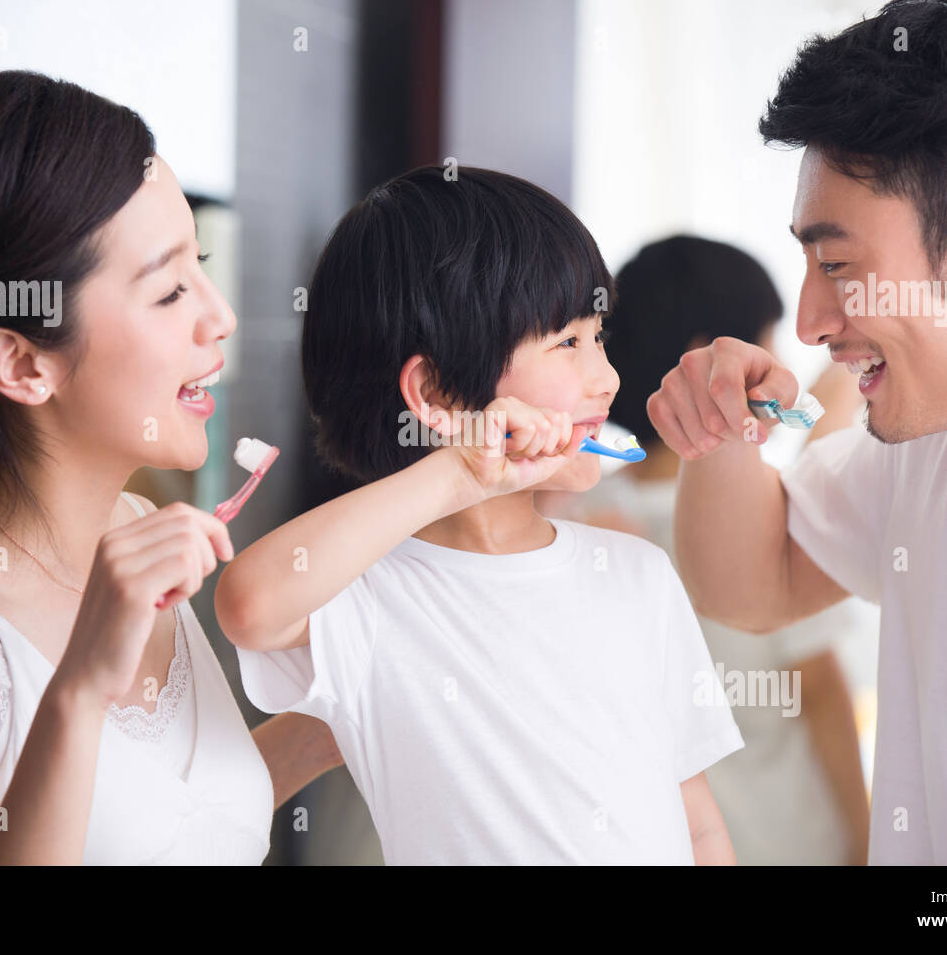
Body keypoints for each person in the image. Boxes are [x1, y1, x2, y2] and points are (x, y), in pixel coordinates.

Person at [649, 0, 947, 864]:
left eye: (840, 266)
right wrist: (722, 427)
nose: (811, 321)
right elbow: (754, 583)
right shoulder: (943, 442)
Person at [216, 166, 743, 865]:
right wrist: (459, 471)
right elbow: (249, 604)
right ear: (434, 391)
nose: (608, 377)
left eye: (600, 336)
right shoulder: (364, 600)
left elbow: (698, 825)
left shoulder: (637, 574)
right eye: (568, 342)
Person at [0, 71, 342, 864]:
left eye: (200, 262)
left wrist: (348, 716)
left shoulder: (137, 528)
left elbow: (165, 828)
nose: (220, 316)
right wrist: (81, 689)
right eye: (169, 292)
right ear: (24, 363)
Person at [541, 235, 874, 864]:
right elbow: (822, 697)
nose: (785, 364)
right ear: (711, 363)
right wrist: (865, 843)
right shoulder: (767, 518)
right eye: (767, 341)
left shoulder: (576, 517)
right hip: (791, 842)